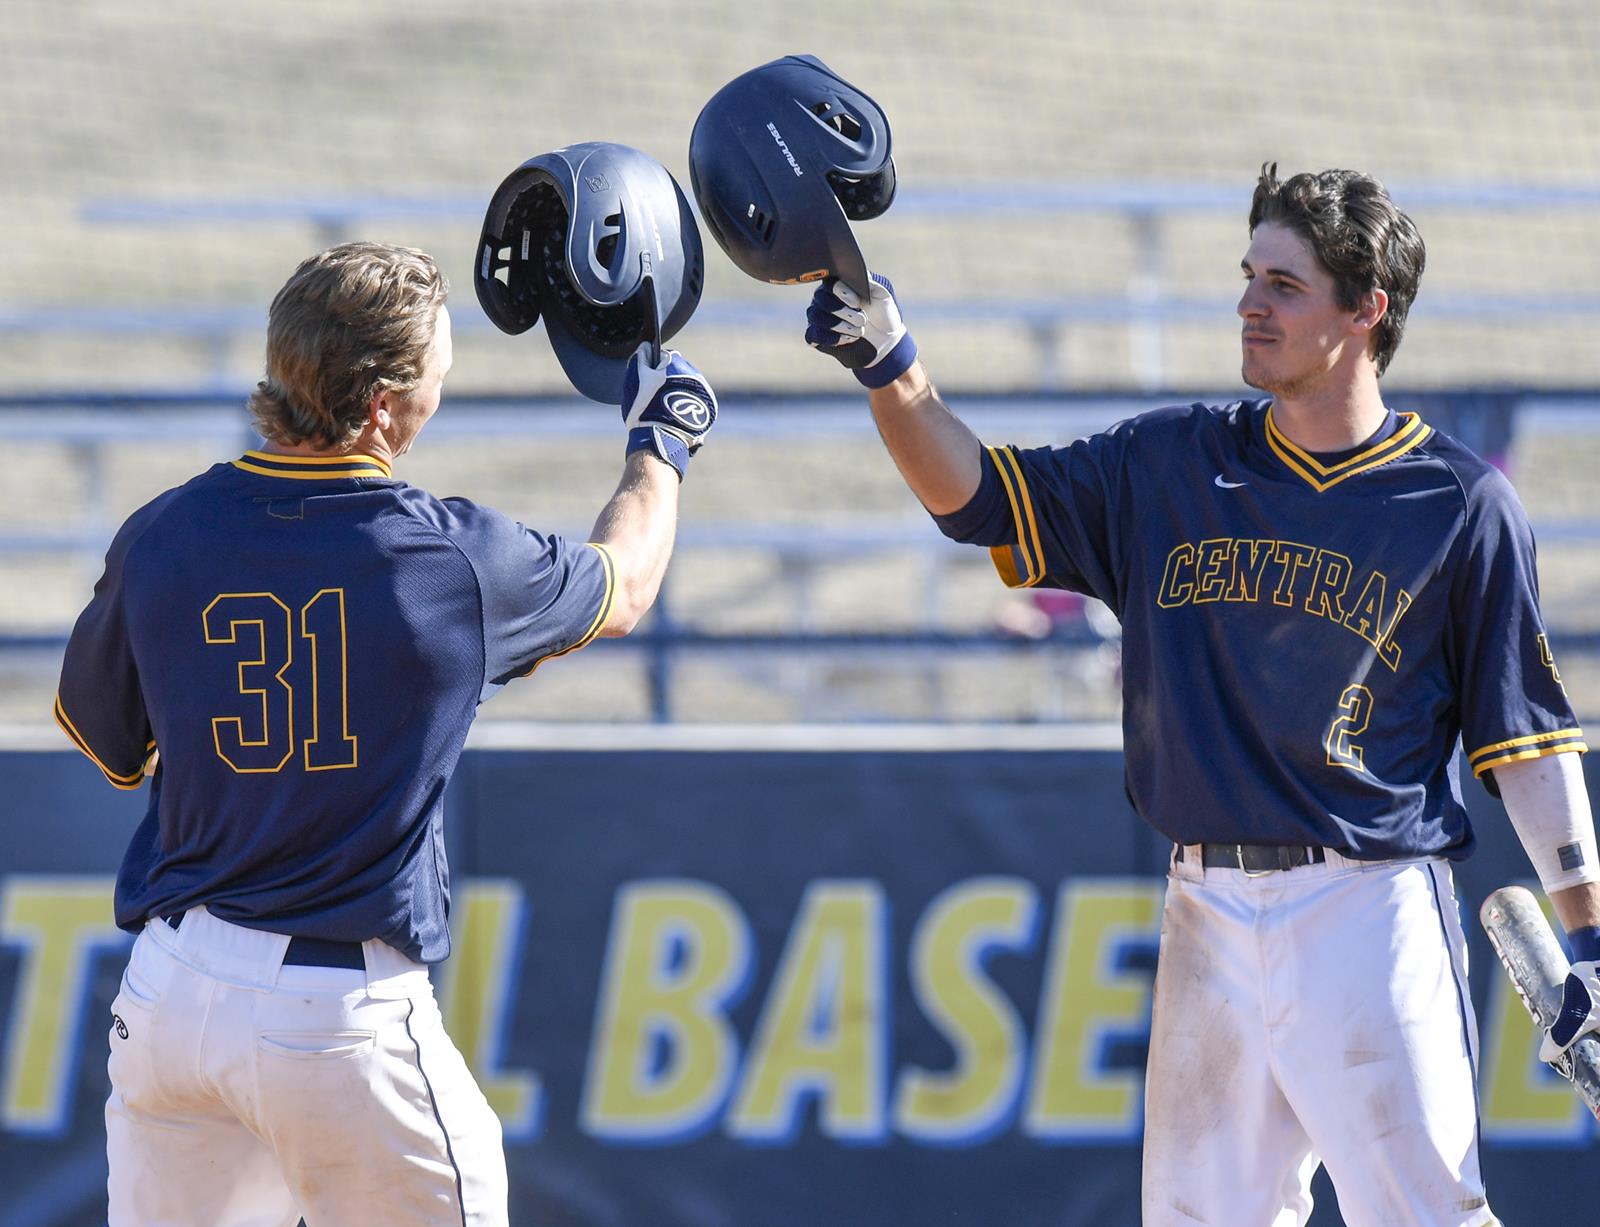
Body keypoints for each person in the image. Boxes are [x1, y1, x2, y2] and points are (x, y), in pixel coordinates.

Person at [805, 165, 1600, 1226]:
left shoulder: (1460, 504)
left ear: (1366, 311)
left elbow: (1528, 749)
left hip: (1367, 906)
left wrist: (1588, 938)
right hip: (1203, 910)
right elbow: (977, 499)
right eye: (1247, 275)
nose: (1248, 304)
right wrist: (889, 368)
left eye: (1283, 284)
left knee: (1427, 1217)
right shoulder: (1169, 463)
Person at [54, 240, 717, 1226]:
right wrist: (662, 443)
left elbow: (107, 742)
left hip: (171, 997)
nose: (438, 396)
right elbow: (623, 587)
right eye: (435, 378)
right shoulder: (447, 561)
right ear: (380, 408)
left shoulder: (162, 532)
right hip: (335, 1019)